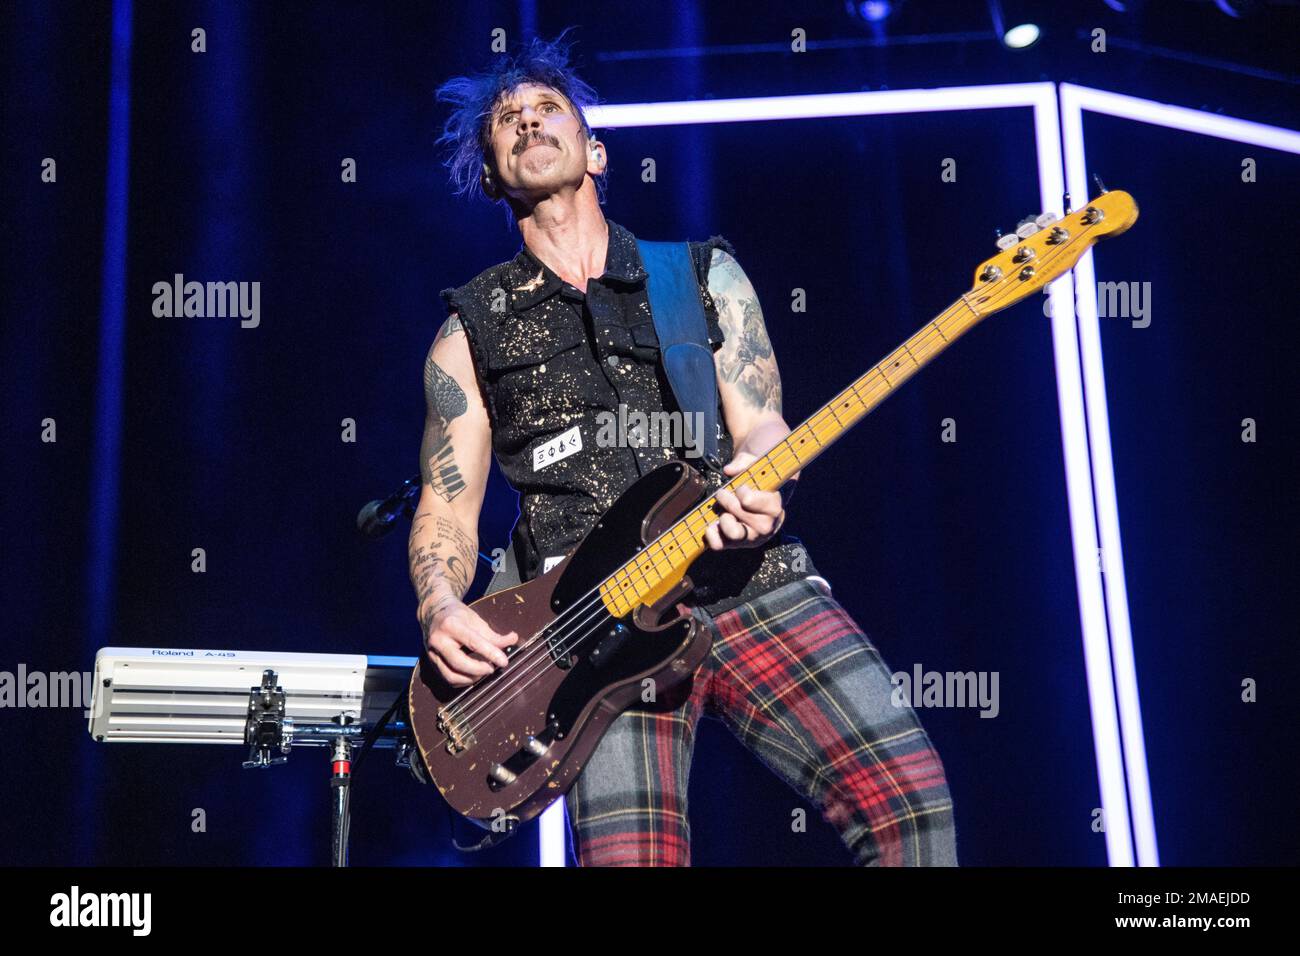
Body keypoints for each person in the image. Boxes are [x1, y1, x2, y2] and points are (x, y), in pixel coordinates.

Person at [409, 33, 957, 866]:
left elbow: (764, 424)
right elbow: (448, 502)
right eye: (506, 121)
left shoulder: (700, 276)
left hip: (747, 580)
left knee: (909, 807)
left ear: (596, 151)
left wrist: (769, 479)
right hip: (584, 631)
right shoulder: (468, 331)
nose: (527, 123)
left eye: (547, 108)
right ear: (489, 172)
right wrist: (440, 606)